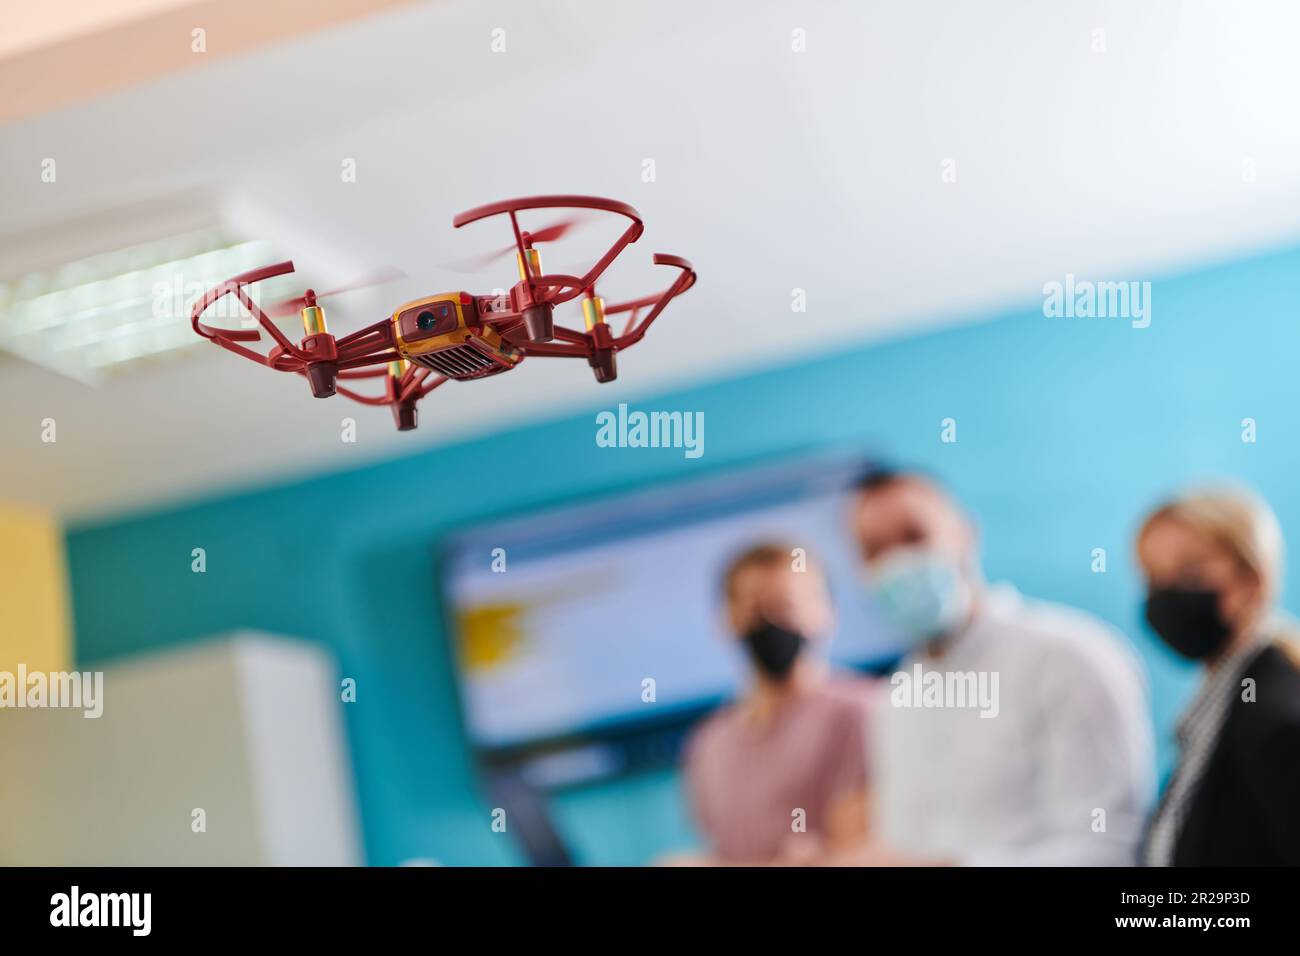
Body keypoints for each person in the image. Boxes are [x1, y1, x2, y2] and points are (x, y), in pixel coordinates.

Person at [849, 468, 1153, 865]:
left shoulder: (1071, 659)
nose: (897, 563)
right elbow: (902, 846)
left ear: (967, 535)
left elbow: (1110, 849)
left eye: (914, 536)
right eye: (875, 550)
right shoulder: (895, 697)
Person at [679, 542, 874, 865]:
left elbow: (854, 852)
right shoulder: (709, 743)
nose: (770, 622)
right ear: (727, 618)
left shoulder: (860, 713)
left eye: (785, 607)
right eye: (756, 608)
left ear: (826, 613)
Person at [1136, 487, 1300, 865]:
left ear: (1252, 581)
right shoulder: (1214, 716)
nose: (1167, 598)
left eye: (1190, 575)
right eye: (1154, 581)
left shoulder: (1276, 722)